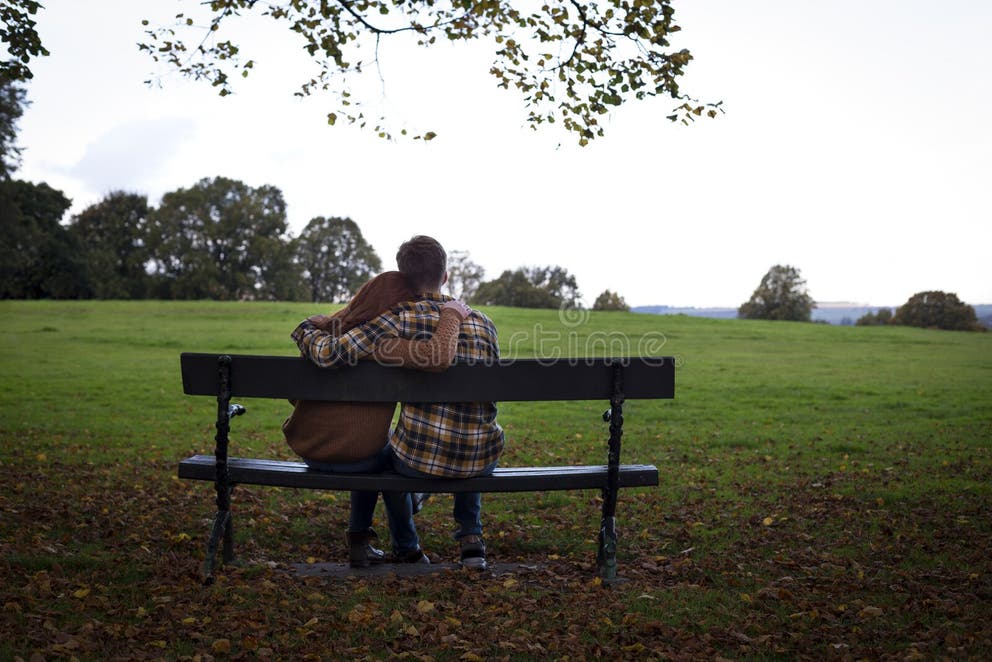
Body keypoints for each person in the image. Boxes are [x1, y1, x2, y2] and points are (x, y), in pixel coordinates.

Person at [292, 235, 504, 570]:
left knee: (384, 456)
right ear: (445, 275)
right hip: (482, 456)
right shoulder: (482, 322)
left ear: (403, 278)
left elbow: (331, 352)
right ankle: (471, 540)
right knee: (468, 429)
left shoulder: (398, 318)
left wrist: (306, 330)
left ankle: (407, 547)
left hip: (417, 460)